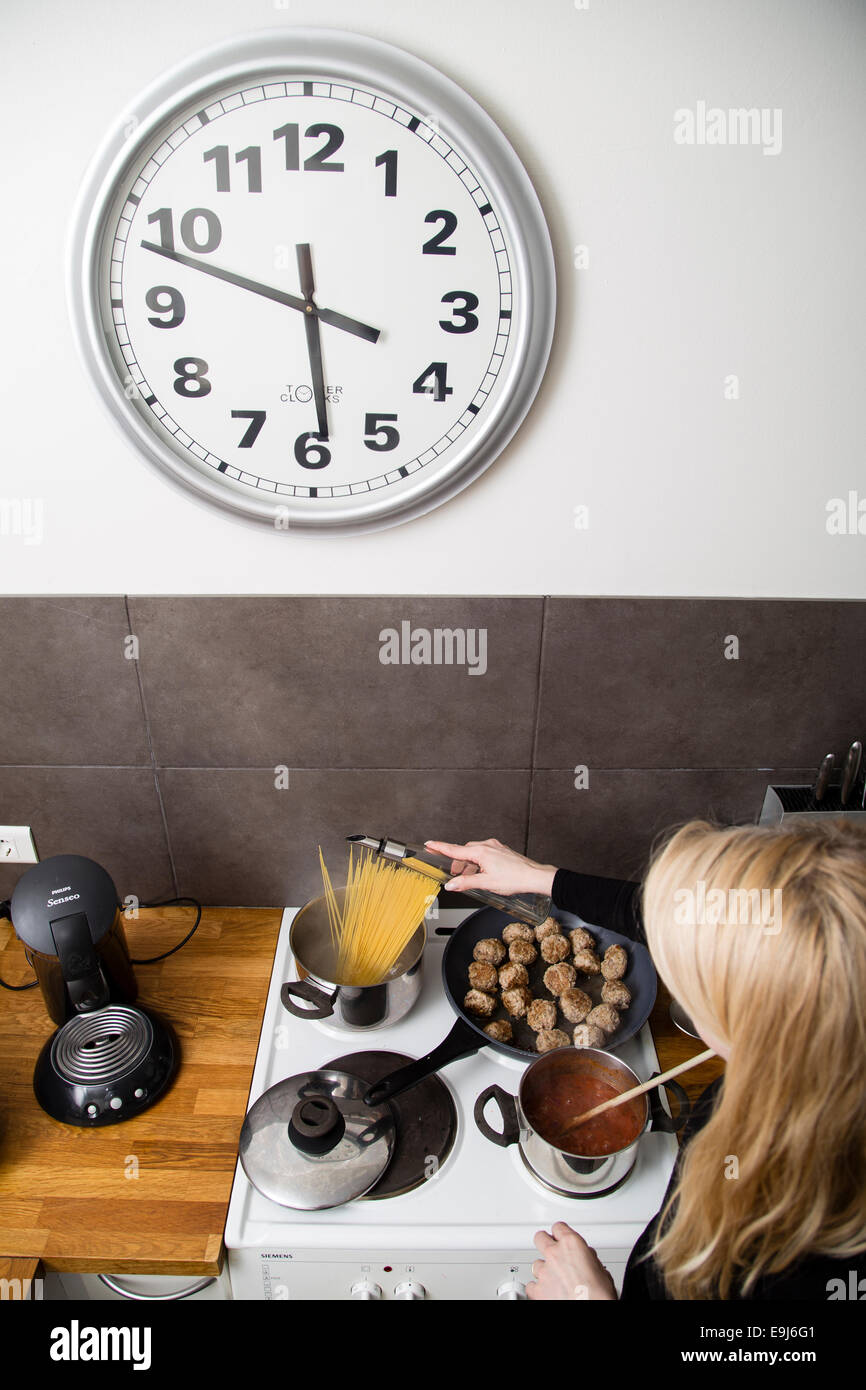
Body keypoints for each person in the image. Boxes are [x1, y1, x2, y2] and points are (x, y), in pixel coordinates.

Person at [425, 819, 866, 1300]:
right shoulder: (803, 1062)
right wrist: (541, 878)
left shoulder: (798, 1244)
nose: (678, 974)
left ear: (749, 1012)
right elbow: (686, 918)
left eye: (692, 971)